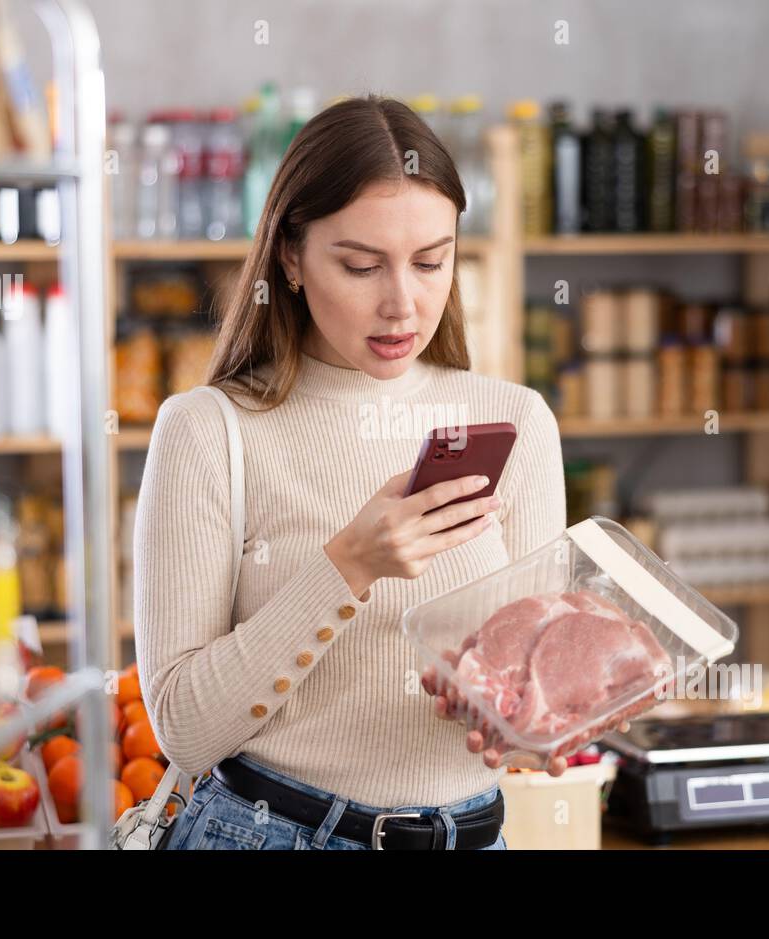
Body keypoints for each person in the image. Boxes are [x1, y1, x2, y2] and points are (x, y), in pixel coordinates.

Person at [135, 94, 629, 851]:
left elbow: (527, 695)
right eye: (362, 265)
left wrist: (548, 709)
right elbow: (184, 729)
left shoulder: (518, 422)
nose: (403, 302)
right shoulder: (211, 430)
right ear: (291, 257)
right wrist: (348, 567)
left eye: (432, 261)